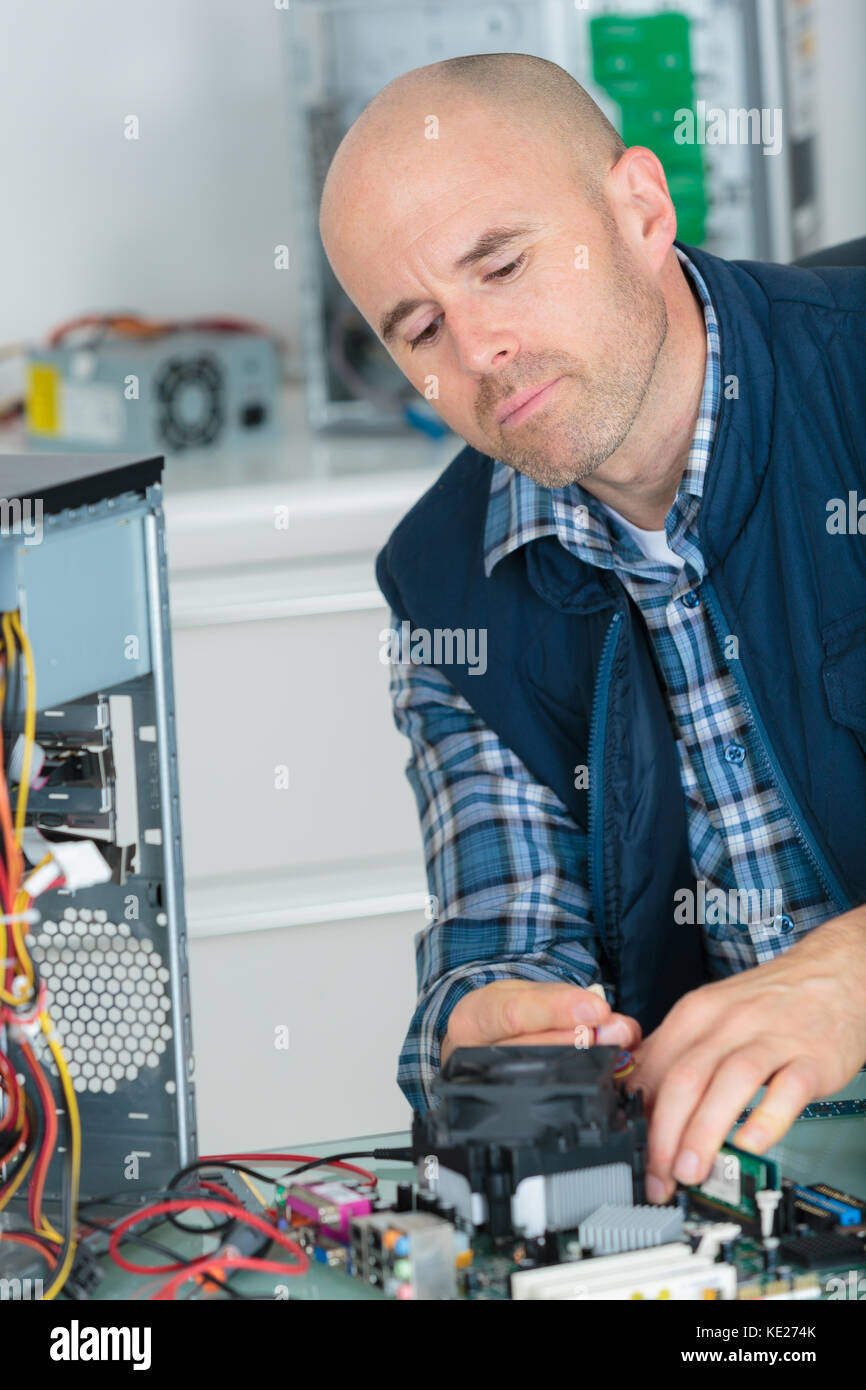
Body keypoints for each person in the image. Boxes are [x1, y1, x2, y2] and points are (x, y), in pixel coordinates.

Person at [318, 53, 866, 1205]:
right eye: (417, 327)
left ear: (639, 208)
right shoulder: (443, 586)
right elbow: (497, 932)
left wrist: (847, 980)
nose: (474, 352)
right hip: (749, 1200)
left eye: (502, 265)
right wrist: (487, 1019)